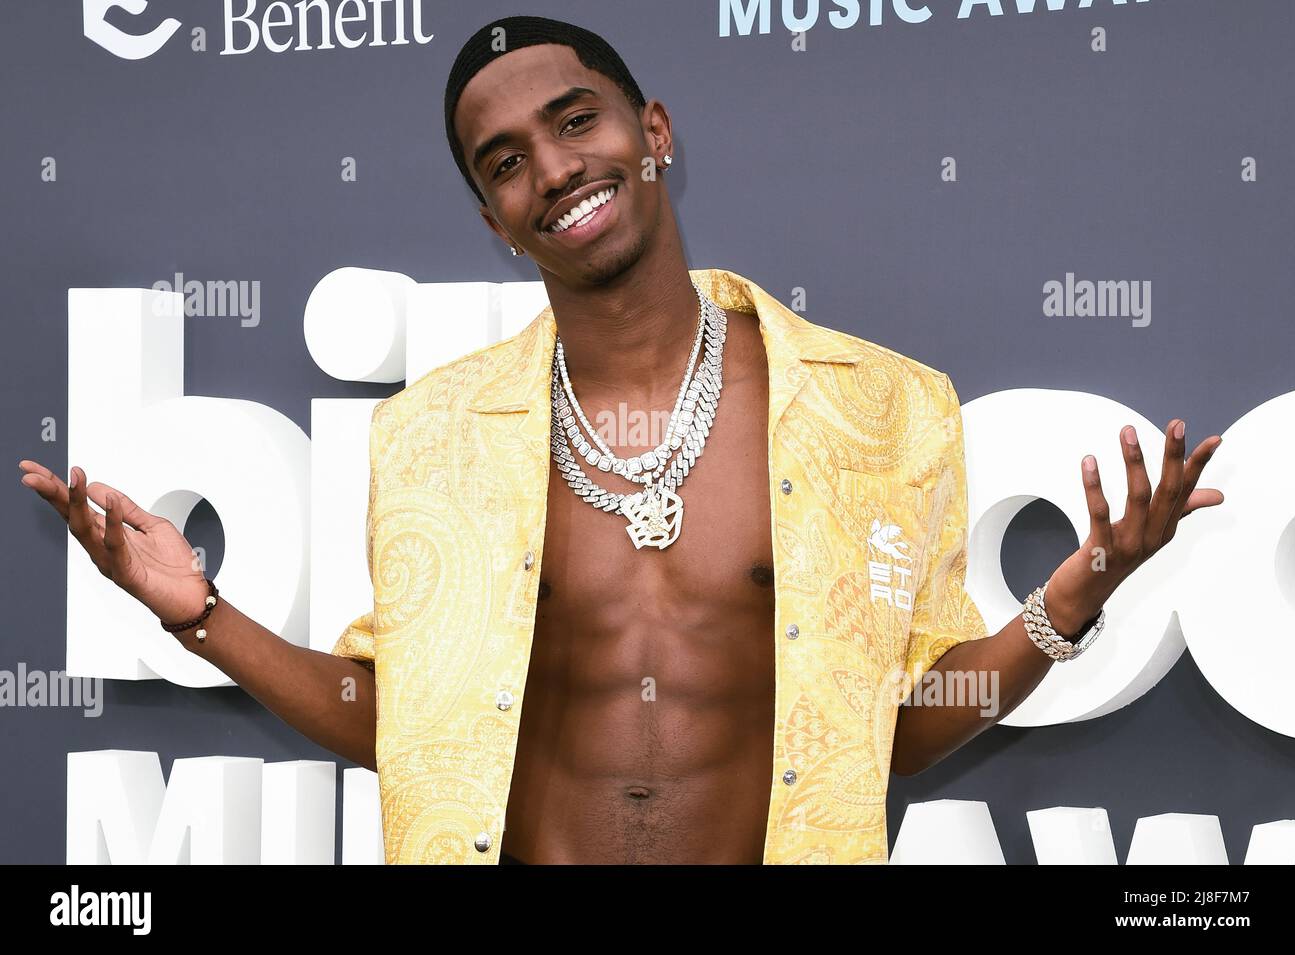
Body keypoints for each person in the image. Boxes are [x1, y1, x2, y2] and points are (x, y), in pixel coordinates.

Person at [19, 15, 1224, 865]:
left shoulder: (881, 406)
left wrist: (1070, 597)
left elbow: (898, 733)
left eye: (574, 119)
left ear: (650, 129)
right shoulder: (427, 434)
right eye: (505, 163)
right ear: (493, 221)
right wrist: (196, 613)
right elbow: (396, 717)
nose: (553, 169)